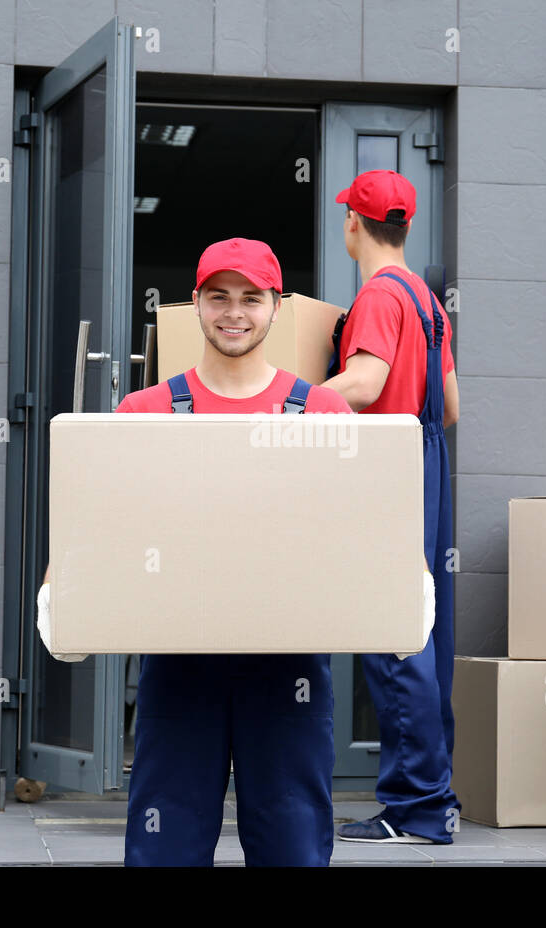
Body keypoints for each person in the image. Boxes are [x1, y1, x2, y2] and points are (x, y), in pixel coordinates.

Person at [38, 238, 354, 866]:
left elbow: (358, 531)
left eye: (250, 299)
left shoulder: (321, 409)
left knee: (293, 842)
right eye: (219, 298)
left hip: (287, 664)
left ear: (274, 309)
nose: (234, 313)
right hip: (180, 662)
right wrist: (63, 597)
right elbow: (95, 526)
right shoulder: (144, 410)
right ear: (196, 306)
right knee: (167, 843)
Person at [323, 169, 463, 845]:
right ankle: (437, 796)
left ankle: (414, 810)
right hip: (427, 458)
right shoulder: (428, 301)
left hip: (386, 464)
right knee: (425, 631)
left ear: (353, 223)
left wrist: (289, 397)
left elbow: (367, 382)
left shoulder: (380, 295)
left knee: (393, 635)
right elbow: (454, 407)